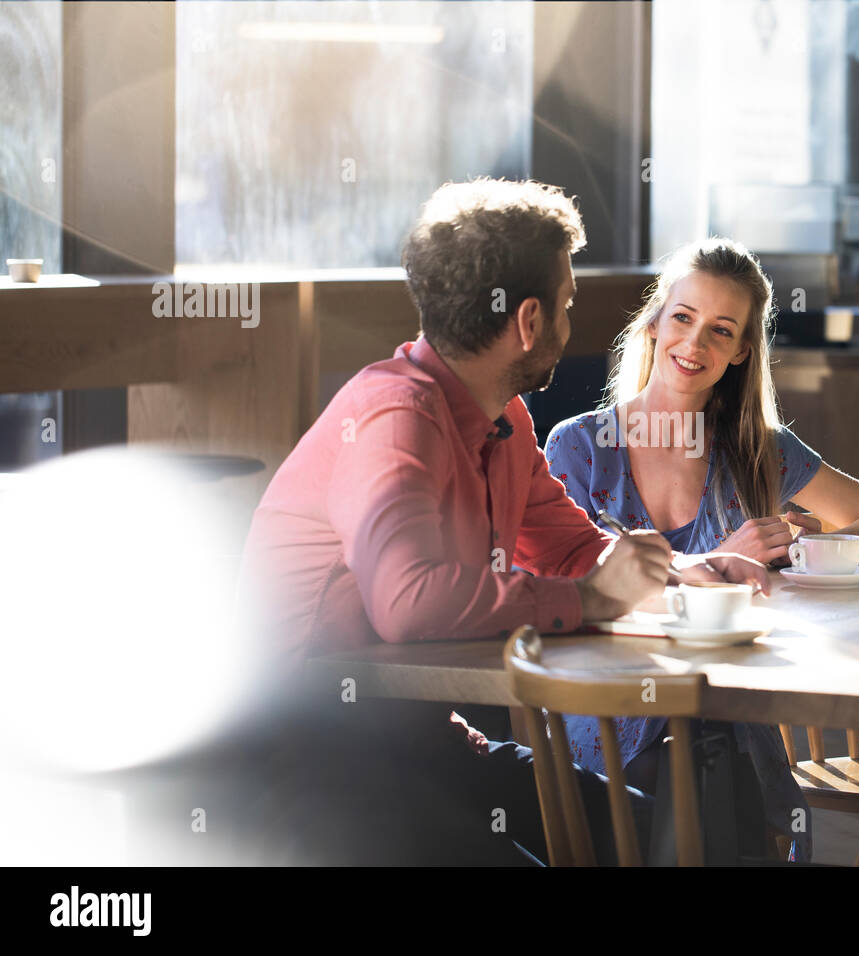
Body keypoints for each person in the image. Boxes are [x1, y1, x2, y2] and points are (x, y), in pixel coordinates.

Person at [236, 182, 768, 865]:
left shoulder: (504, 419)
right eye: (568, 305)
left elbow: (572, 546)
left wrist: (680, 575)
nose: (571, 324)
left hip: (419, 749)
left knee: (658, 838)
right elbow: (407, 602)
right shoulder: (394, 417)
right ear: (527, 321)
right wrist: (588, 601)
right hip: (315, 773)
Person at [545, 237, 859, 861]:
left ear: (742, 351)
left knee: (718, 772)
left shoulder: (756, 449)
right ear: (655, 321)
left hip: (729, 723)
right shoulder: (579, 446)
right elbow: (573, 592)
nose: (694, 345)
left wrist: (800, 544)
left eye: (721, 331)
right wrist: (717, 561)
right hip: (608, 722)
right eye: (684, 319)